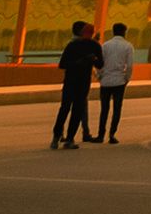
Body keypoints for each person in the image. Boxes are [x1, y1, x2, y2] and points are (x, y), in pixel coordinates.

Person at [53, 21, 104, 150]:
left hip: (71, 81)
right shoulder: (94, 46)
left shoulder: (72, 45)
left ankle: (57, 136)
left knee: (65, 108)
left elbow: (62, 64)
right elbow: (100, 64)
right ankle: (69, 139)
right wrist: (89, 60)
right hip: (82, 82)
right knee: (76, 110)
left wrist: (79, 62)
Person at [97, 21, 136, 143]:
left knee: (104, 109)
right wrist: (127, 78)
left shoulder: (105, 45)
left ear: (113, 31)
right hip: (119, 80)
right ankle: (112, 134)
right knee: (117, 109)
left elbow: (100, 63)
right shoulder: (128, 46)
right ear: (125, 32)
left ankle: (100, 134)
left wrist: (99, 76)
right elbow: (129, 66)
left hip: (106, 81)